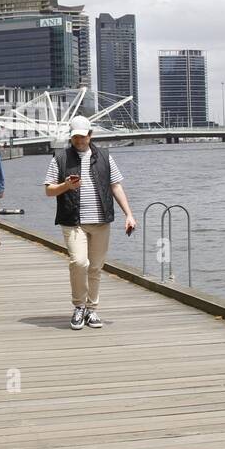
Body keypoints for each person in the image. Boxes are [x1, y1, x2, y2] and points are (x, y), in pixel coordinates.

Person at [43, 115, 136, 331]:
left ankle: (91, 309)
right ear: (71, 137)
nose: (79, 141)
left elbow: (116, 187)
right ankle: (78, 306)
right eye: (75, 137)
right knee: (79, 263)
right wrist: (66, 186)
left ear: (90, 135)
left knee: (95, 267)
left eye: (83, 137)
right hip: (73, 221)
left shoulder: (104, 156)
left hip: (101, 221)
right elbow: (48, 190)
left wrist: (129, 215)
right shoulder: (60, 158)